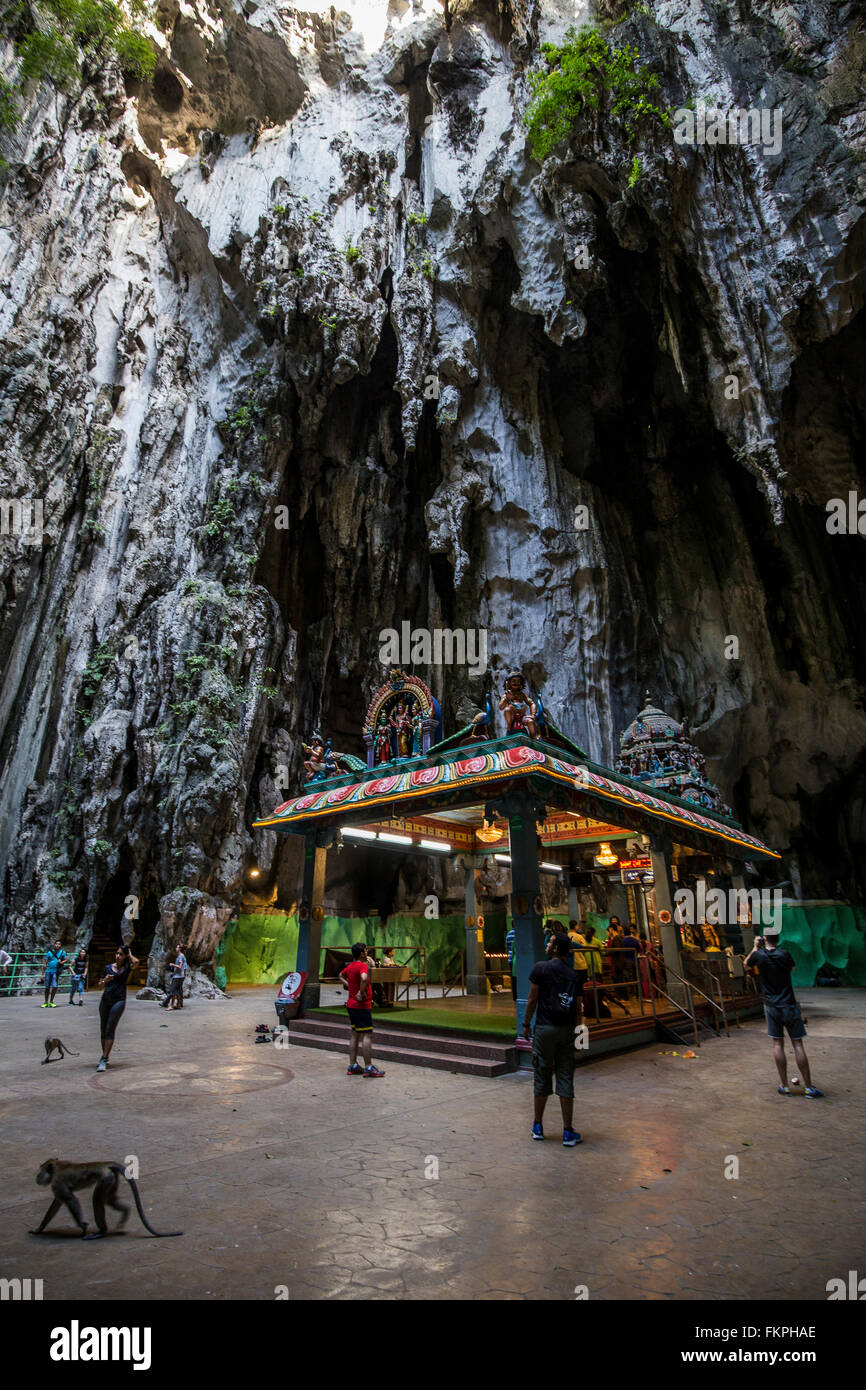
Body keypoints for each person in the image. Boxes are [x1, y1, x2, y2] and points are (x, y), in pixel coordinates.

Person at [744, 930, 823, 1097]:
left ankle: (784, 1085)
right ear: (778, 939)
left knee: (777, 1044)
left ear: (764, 939)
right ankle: (809, 1087)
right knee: (798, 1044)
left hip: (771, 1005)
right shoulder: (784, 954)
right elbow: (792, 968)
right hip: (788, 1003)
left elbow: (746, 964)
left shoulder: (759, 956)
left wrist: (755, 947)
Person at [521, 932, 582, 1146]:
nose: (547, 944)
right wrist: (579, 1037)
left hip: (544, 1029)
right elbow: (578, 1010)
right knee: (565, 1076)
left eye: (551, 942)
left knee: (542, 1074)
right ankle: (567, 1131)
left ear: (556, 949)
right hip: (566, 1030)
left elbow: (532, 1000)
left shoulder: (540, 968)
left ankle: (537, 1125)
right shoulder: (574, 976)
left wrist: (526, 1024)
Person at [339, 943, 384, 1077]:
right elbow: (364, 978)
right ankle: (368, 1067)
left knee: (355, 1034)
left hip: (351, 1005)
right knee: (367, 1034)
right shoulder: (363, 966)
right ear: (362, 954)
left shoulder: (350, 966)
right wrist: (360, 991)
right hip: (362, 1006)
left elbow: (340, 975)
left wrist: (350, 986)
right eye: (365, 951)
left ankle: (352, 1065)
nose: (367, 953)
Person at [97, 944, 138, 1071]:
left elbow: (136, 962)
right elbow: (100, 986)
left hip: (119, 1000)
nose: (118, 956)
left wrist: (129, 953)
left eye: (121, 954)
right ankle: (105, 1055)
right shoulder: (107, 968)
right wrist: (105, 981)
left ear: (125, 956)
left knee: (110, 1028)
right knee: (103, 1029)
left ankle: (104, 1058)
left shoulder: (126, 969)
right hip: (106, 999)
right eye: (117, 953)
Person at [567, 919, 588, 1012]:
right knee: (581, 988)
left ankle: (573, 1006)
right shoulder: (579, 936)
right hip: (581, 965)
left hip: (571, 966)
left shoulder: (566, 936)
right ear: (576, 926)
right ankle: (580, 1006)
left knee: (572, 988)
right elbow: (585, 948)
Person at [41, 939, 67, 1008]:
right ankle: (46, 1002)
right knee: (47, 987)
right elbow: (45, 964)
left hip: (55, 971)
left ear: (60, 945)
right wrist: (42, 974)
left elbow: (65, 959)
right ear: (54, 944)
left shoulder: (62, 953)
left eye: (59, 944)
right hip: (48, 971)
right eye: (56, 944)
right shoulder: (49, 953)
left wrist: (61, 962)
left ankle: (51, 1001)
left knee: (55, 986)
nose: (57, 945)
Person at [162, 943, 187, 1010]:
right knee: (178, 991)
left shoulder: (181, 956)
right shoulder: (180, 956)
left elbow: (180, 967)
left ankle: (172, 1006)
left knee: (173, 991)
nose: (176, 948)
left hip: (178, 977)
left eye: (177, 947)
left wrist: (173, 965)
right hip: (179, 976)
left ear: (180, 949)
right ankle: (178, 1004)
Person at [620, 924, 641, 1002]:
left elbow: (621, 951)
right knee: (637, 976)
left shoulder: (623, 941)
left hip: (627, 961)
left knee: (628, 977)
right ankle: (638, 994)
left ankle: (631, 994)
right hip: (635, 960)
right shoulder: (635, 940)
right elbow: (639, 948)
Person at [505, 923, 517, 1001]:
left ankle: (514, 996)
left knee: (513, 979)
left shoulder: (509, 934)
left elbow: (507, 946)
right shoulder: (520, 933)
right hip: (517, 960)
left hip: (510, 959)